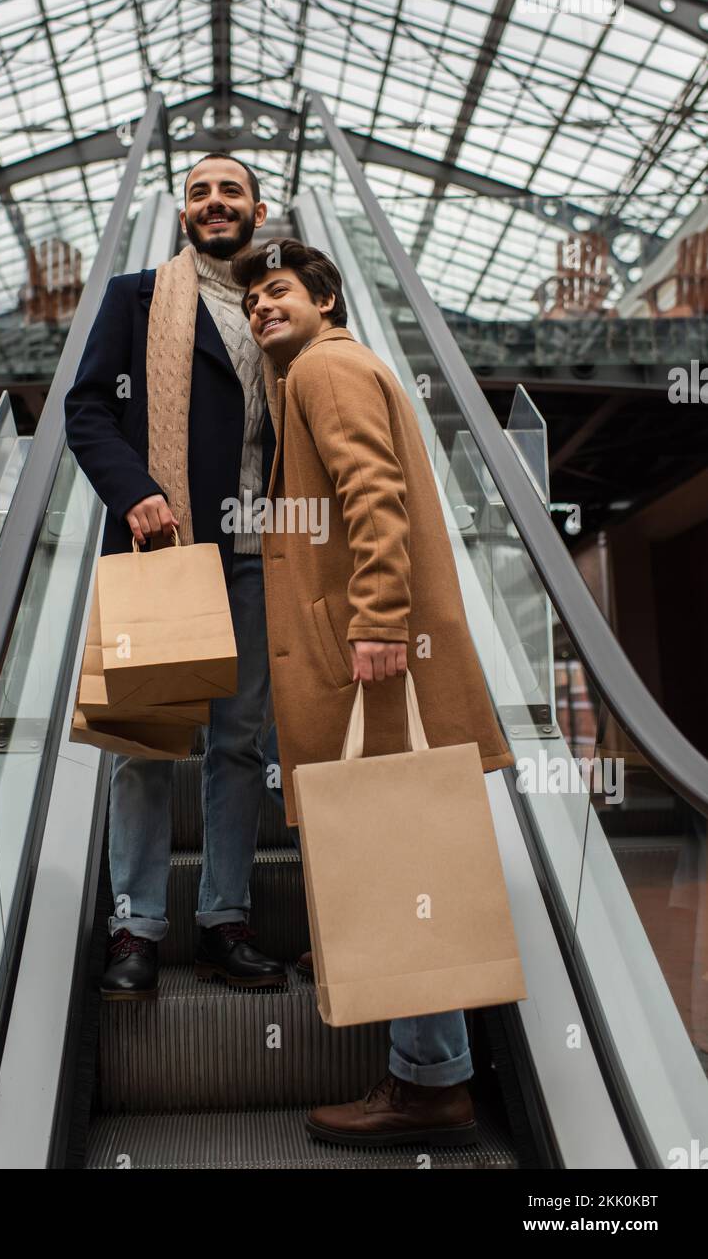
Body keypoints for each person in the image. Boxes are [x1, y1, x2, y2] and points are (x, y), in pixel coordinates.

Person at [232, 237, 516, 1147]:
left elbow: (372, 490)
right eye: (252, 301)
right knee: (400, 851)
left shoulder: (327, 368)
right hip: (363, 653)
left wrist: (381, 619)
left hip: (373, 660)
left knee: (403, 857)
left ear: (326, 300)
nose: (262, 307)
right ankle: (420, 1057)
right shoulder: (316, 372)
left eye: (279, 290)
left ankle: (429, 1084)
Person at [64, 154, 287, 1000]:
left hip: (260, 553)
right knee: (144, 742)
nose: (215, 202)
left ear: (257, 209)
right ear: (184, 212)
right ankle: (136, 928)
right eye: (200, 192)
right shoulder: (137, 298)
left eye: (231, 191)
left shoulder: (279, 305)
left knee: (238, 744)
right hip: (162, 547)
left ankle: (225, 921)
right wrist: (136, 492)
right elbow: (87, 407)